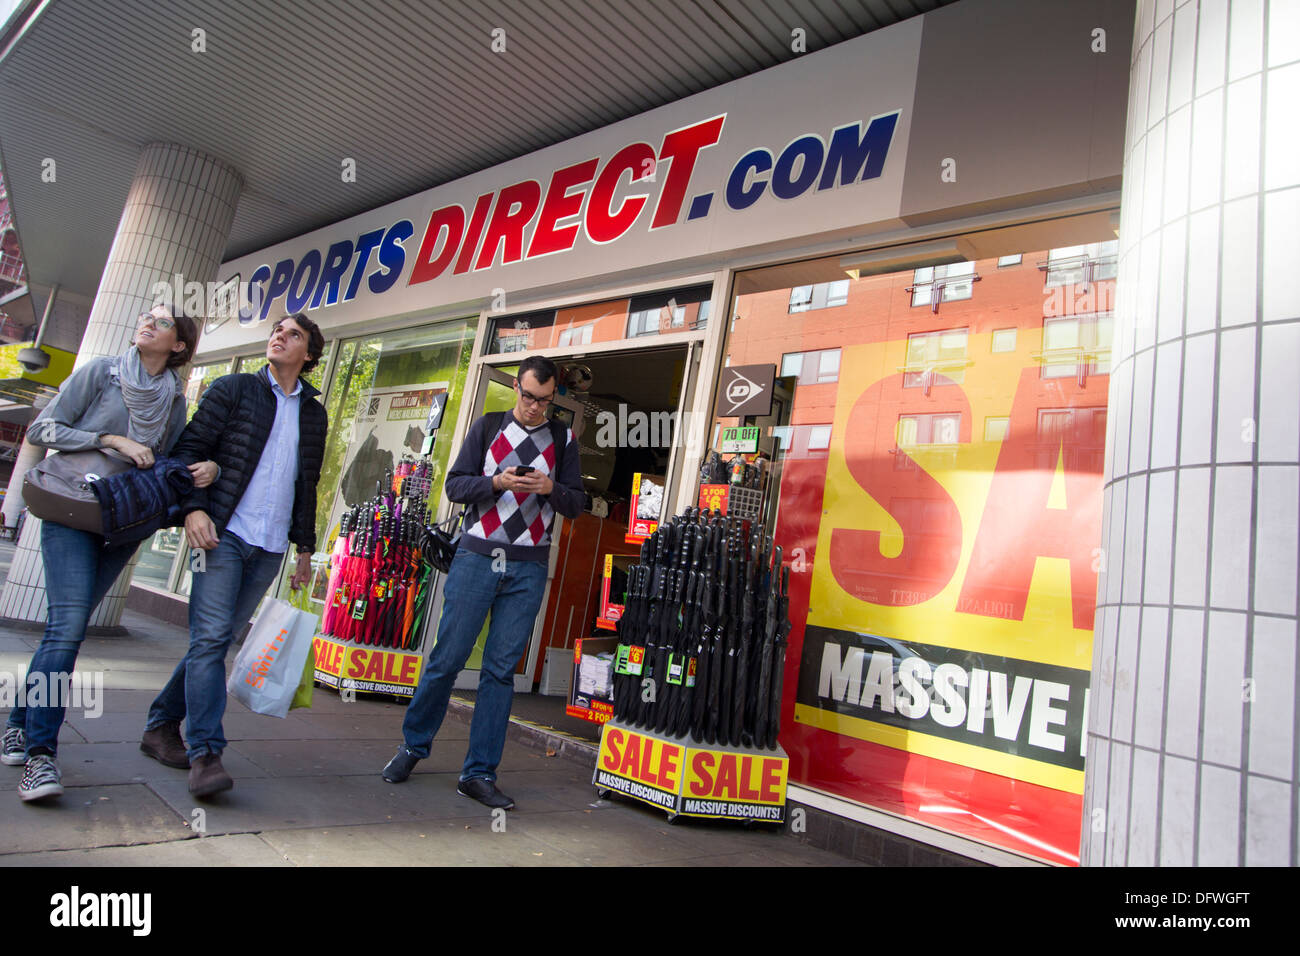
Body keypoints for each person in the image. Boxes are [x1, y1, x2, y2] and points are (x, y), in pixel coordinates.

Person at [2, 305, 209, 802]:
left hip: (123, 523)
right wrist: (110, 438)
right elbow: (43, 430)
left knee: (63, 630)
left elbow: (168, 461)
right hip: (72, 511)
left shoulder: (174, 400)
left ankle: (16, 721)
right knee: (68, 628)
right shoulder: (101, 372)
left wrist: (200, 472)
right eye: (147, 317)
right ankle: (40, 756)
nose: (147, 324)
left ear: (179, 346)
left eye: (162, 323)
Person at [382, 355, 584, 809]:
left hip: (528, 566)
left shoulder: (563, 438)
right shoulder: (488, 426)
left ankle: (478, 773)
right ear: (516, 386)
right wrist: (496, 482)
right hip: (476, 556)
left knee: (499, 672)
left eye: (545, 401)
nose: (535, 408)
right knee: (447, 658)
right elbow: (454, 487)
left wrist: (552, 490)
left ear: (554, 398)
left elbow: (576, 504)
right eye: (529, 397)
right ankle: (412, 746)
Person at [139, 312, 328, 798]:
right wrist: (194, 510)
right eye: (277, 331)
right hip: (221, 535)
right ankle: (205, 752)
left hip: (268, 546)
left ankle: (161, 723)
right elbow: (186, 453)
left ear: (308, 354)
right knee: (208, 641)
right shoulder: (234, 389)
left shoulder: (314, 413)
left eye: (293, 335)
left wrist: (304, 548)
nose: (279, 337)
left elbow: (307, 484)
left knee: (217, 639)